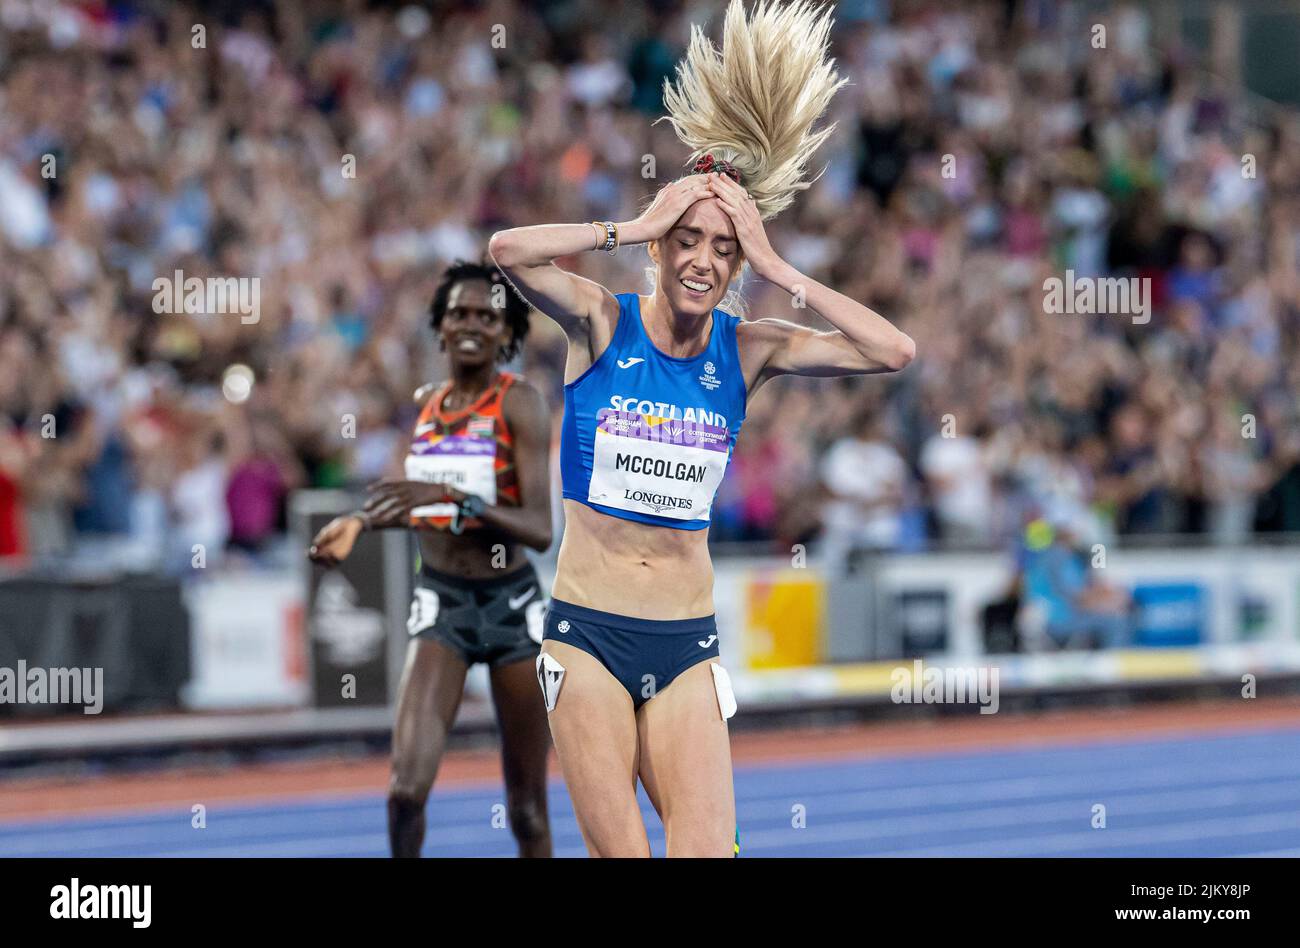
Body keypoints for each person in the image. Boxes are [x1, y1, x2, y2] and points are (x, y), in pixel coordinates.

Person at [488, 0, 914, 857]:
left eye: (722, 249)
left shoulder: (746, 349)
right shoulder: (602, 325)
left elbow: (892, 350)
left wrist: (779, 267)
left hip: (686, 642)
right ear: (660, 248)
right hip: (589, 637)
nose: (701, 261)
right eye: (686, 241)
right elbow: (507, 251)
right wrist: (629, 226)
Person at [307, 261, 555, 857]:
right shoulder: (426, 404)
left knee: (525, 809)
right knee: (405, 791)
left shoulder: (519, 404)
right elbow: (416, 501)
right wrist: (359, 522)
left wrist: (457, 499)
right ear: (440, 328)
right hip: (441, 602)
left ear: (506, 333)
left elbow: (540, 529)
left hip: (511, 606)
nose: (472, 325)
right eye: (459, 314)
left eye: (487, 317)